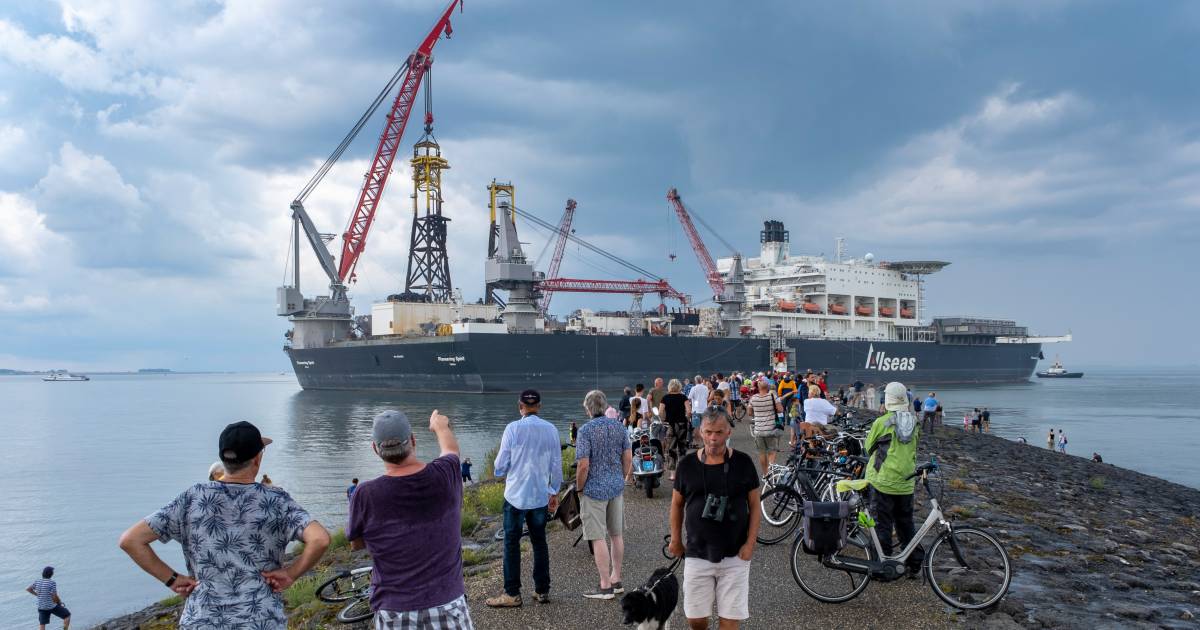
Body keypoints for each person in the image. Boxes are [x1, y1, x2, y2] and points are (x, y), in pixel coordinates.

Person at [119, 421, 331, 628]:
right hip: (260, 619)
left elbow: (131, 540)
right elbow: (320, 539)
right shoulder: (276, 500)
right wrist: (291, 573)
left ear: (223, 458)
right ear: (257, 459)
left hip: (201, 619)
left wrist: (172, 580)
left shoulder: (193, 497)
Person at [347, 409, 474, 628]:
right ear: (413, 440)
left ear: (375, 449)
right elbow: (451, 449)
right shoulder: (446, 473)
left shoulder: (365, 494)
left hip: (395, 612)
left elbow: (356, 544)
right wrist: (440, 426)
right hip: (449, 606)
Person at [668, 407, 761, 629]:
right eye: (708, 432)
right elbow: (676, 504)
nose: (713, 438)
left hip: (735, 554)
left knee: (729, 621)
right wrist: (675, 539)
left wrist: (750, 543)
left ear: (729, 432)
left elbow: (755, 505)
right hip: (697, 552)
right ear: (700, 431)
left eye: (719, 432)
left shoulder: (743, 463)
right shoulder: (687, 465)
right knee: (696, 620)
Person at [486, 390, 563, 608]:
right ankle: (542, 590)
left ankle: (512, 593)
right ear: (539, 406)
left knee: (511, 543)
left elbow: (500, 466)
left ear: (520, 406)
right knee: (539, 543)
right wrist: (554, 491)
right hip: (539, 496)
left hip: (515, 497)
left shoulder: (512, 429)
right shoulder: (551, 430)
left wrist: (505, 470)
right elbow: (556, 466)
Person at [575, 390, 633, 600]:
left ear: (589, 408)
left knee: (597, 536)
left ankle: (605, 586)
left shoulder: (585, 431)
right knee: (616, 534)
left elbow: (583, 465)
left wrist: (579, 487)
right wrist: (622, 477)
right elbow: (628, 457)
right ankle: (616, 579)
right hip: (615, 487)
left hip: (594, 490)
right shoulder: (619, 426)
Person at [865, 382, 924, 577]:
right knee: (906, 523)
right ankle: (914, 562)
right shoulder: (915, 423)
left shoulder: (882, 423)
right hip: (906, 482)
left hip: (883, 480)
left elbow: (868, 447)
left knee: (882, 523)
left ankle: (881, 566)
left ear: (887, 399)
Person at [748, 380, 784, 473]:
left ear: (758, 388)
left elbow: (749, 412)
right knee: (771, 452)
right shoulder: (773, 396)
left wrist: (757, 412)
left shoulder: (753, 398)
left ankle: (765, 474)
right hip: (771, 429)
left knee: (762, 453)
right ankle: (771, 471)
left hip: (758, 430)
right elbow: (780, 409)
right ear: (768, 388)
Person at [660, 379, 692, 481]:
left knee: (671, 449)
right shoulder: (683, 397)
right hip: (682, 425)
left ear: (669, 386)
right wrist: (686, 418)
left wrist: (663, 420)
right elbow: (689, 411)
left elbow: (660, 412)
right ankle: (682, 472)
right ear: (679, 386)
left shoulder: (665, 398)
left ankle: (673, 474)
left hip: (670, 425)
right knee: (682, 448)